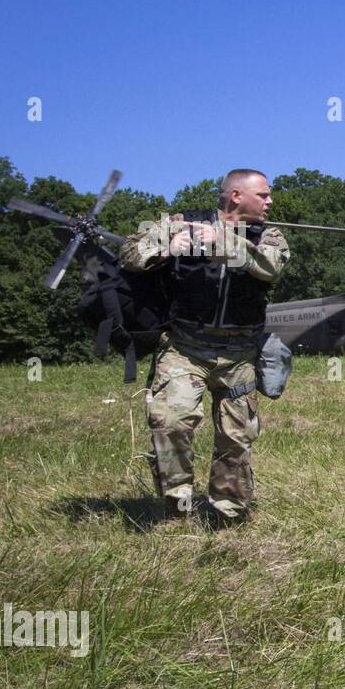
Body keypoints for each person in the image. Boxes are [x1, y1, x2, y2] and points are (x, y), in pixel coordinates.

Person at [120, 169, 289, 526]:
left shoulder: (268, 235)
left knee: (236, 437)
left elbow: (271, 267)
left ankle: (228, 516)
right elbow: (129, 252)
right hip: (185, 347)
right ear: (236, 196)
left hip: (240, 354)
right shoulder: (181, 223)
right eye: (264, 195)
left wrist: (223, 241)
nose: (270, 201)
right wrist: (168, 248)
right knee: (169, 423)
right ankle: (177, 508)